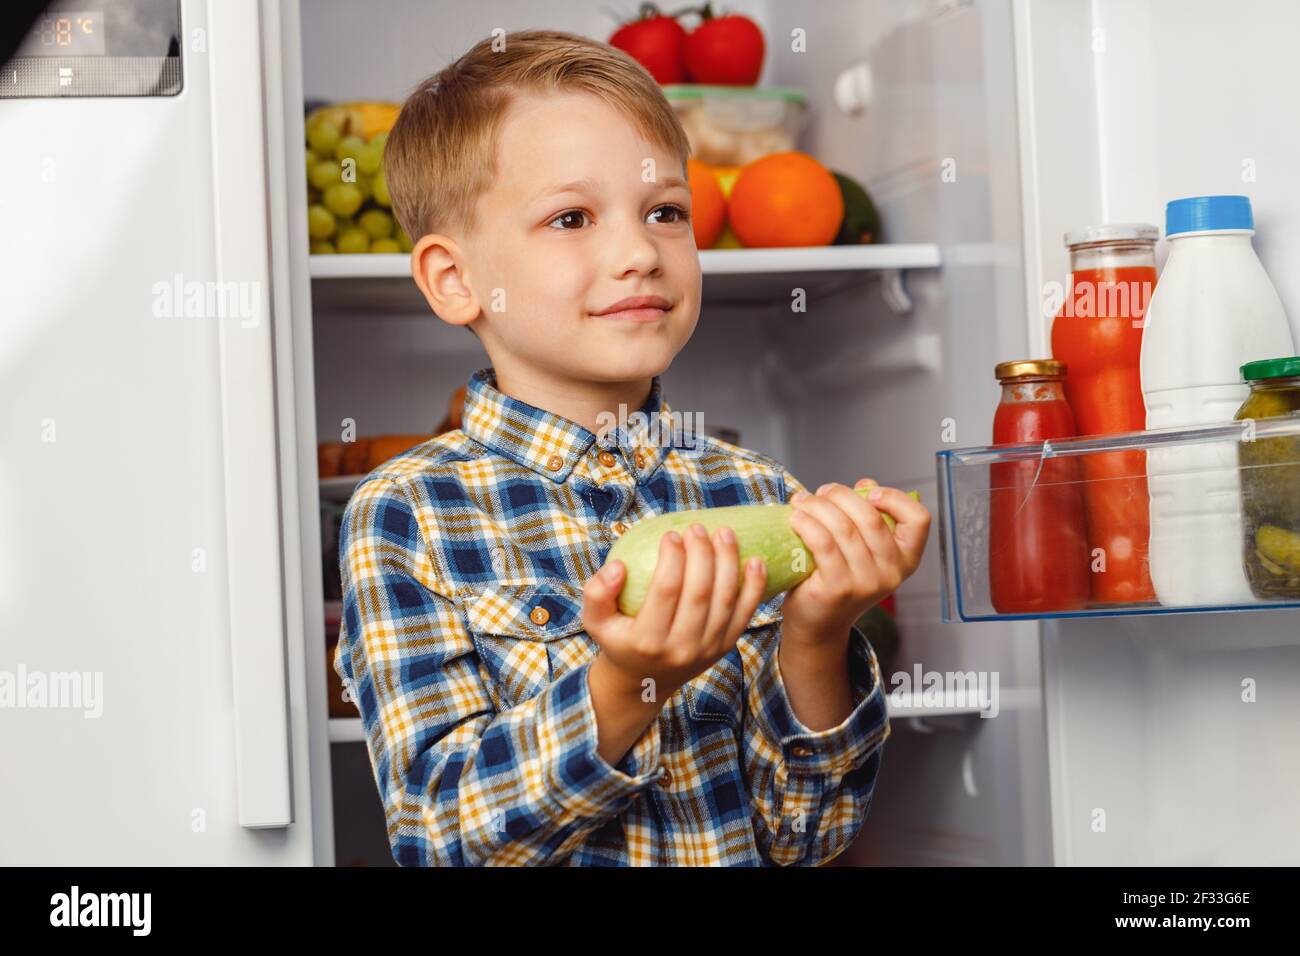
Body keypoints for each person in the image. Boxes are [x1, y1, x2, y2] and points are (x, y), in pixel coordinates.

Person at [334, 29, 930, 866]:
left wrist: (819, 633)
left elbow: (807, 836)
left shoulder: (757, 488)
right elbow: (442, 838)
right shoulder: (407, 514)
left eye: (666, 212)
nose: (639, 252)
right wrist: (625, 685)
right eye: (572, 217)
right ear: (454, 280)